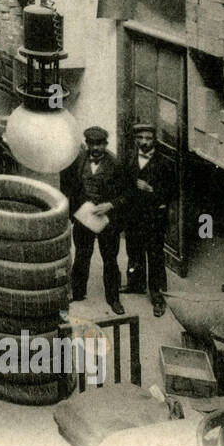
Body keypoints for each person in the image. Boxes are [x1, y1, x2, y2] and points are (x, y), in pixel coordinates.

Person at [62, 126, 129, 315]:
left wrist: (110, 205)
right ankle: (77, 292)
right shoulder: (78, 160)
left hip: (107, 221)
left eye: (100, 144)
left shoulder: (115, 164)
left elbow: (126, 194)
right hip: (84, 219)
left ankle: (113, 298)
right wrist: (72, 213)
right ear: (87, 144)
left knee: (110, 260)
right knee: (82, 256)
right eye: (92, 144)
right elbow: (70, 187)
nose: (96, 148)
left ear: (105, 144)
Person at [122, 123, 175, 317]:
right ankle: (135, 284)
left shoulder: (164, 163)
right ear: (136, 139)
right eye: (141, 138)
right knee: (133, 251)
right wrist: (133, 184)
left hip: (154, 218)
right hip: (134, 216)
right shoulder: (129, 158)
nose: (144, 142)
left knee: (154, 255)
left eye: (148, 138)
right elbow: (123, 183)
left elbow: (171, 193)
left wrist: (151, 191)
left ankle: (157, 296)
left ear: (154, 140)